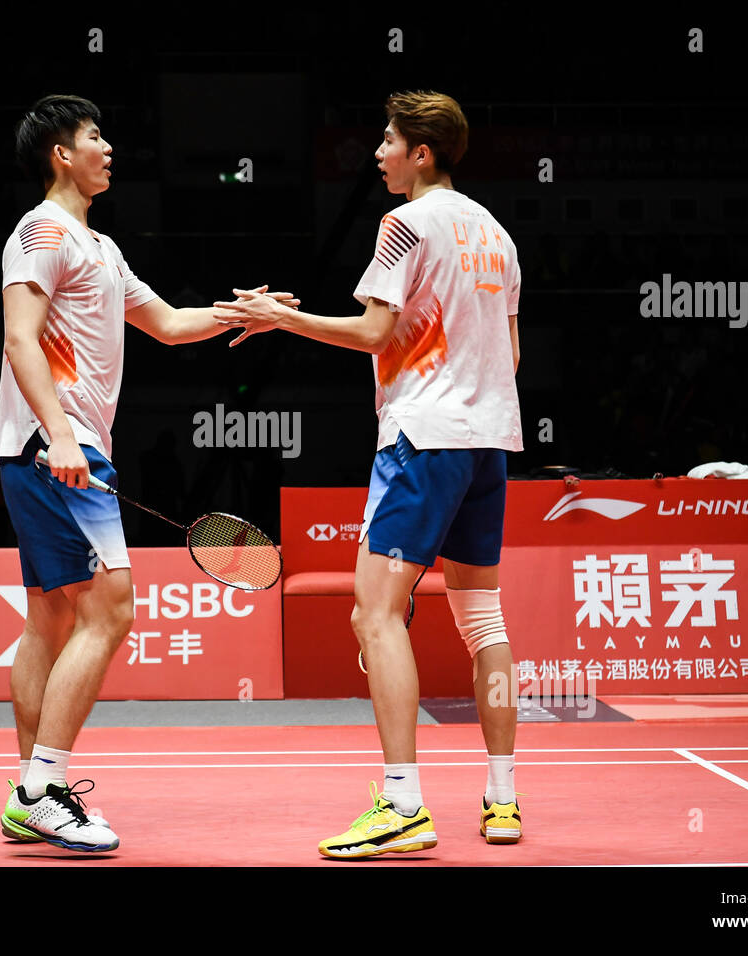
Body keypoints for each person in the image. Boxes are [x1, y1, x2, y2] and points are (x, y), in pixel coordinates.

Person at [214, 90, 523, 858]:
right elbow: (510, 357)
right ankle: (504, 798)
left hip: (422, 439)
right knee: (483, 621)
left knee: (373, 615)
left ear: (422, 152)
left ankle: (403, 804)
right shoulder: (498, 234)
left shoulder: (405, 223)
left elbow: (373, 332)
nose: (377, 154)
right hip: (489, 441)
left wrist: (281, 318)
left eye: (387, 142)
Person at [0, 93, 295, 852]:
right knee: (114, 608)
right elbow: (20, 340)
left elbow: (166, 323)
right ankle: (42, 790)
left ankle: (26, 786)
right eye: (95, 137)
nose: (108, 148)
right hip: (55, 446)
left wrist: (245, 314)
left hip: (51, 446)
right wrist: (60, 436)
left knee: (51, 617)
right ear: (62, 154)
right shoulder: (41, 232)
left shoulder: (102, 249)